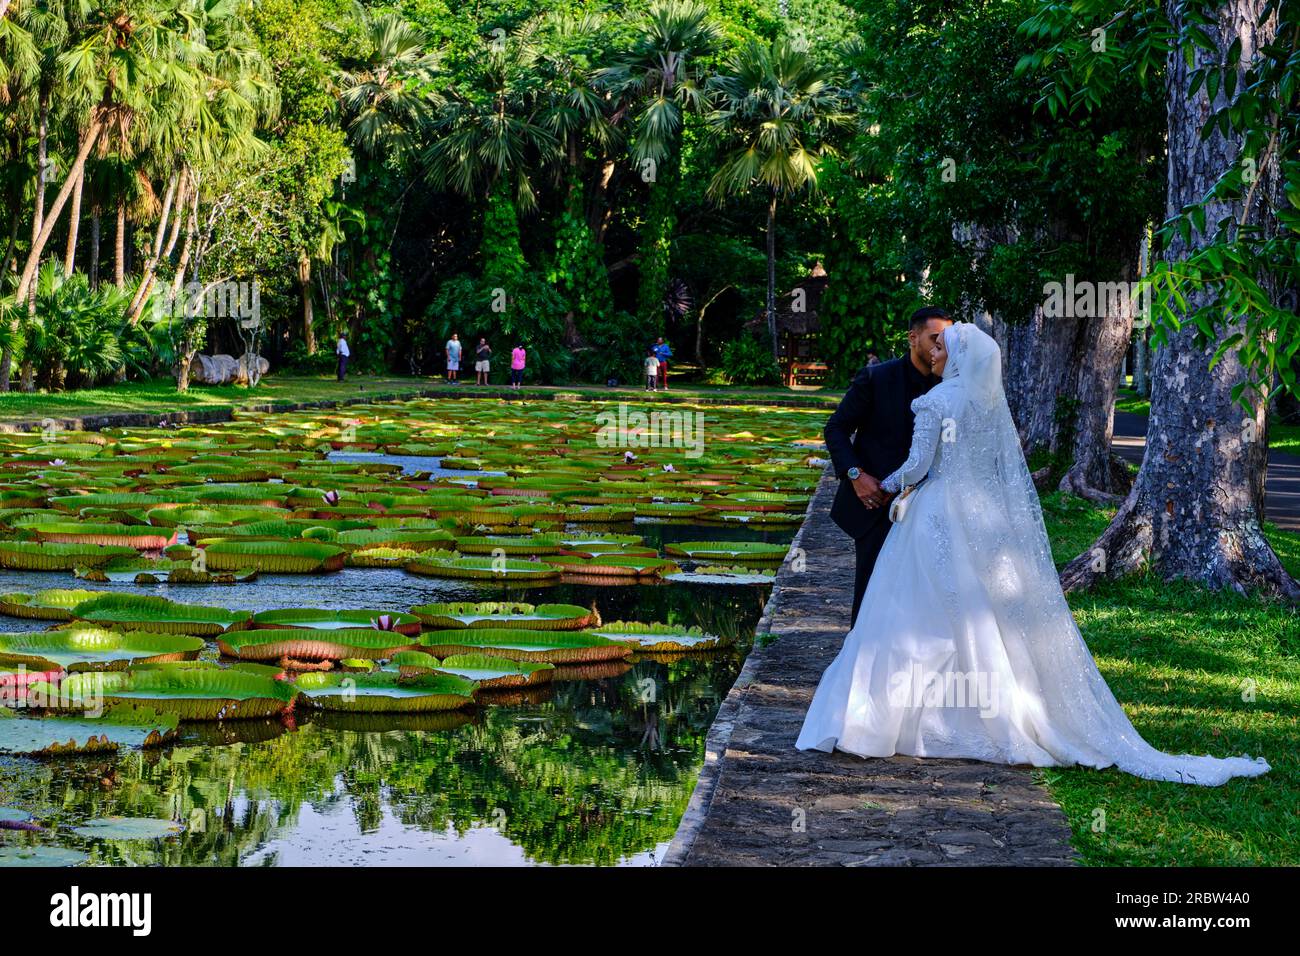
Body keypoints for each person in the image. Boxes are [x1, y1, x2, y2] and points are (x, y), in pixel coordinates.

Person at [796, 322, 1270, 786]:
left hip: (936, 514)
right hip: (980, 515)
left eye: (943, 348)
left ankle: (893, 715)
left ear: (958, 356)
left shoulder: (937, 400)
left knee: (916, 608)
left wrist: (890, 485)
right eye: (934, 344)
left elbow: (920, 465)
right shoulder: (987, 403)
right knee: (972, 609)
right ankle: (986, 711)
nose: (936, 354)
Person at [823, 306, 952, 622]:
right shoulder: (876, 378)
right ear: (912, 337)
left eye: (946, 341)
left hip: (934, 512)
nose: (941, 347)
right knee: (869, 601)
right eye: (934, 338)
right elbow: (836, 428)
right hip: (877, 508)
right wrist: (855, 475)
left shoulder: (953, 386)